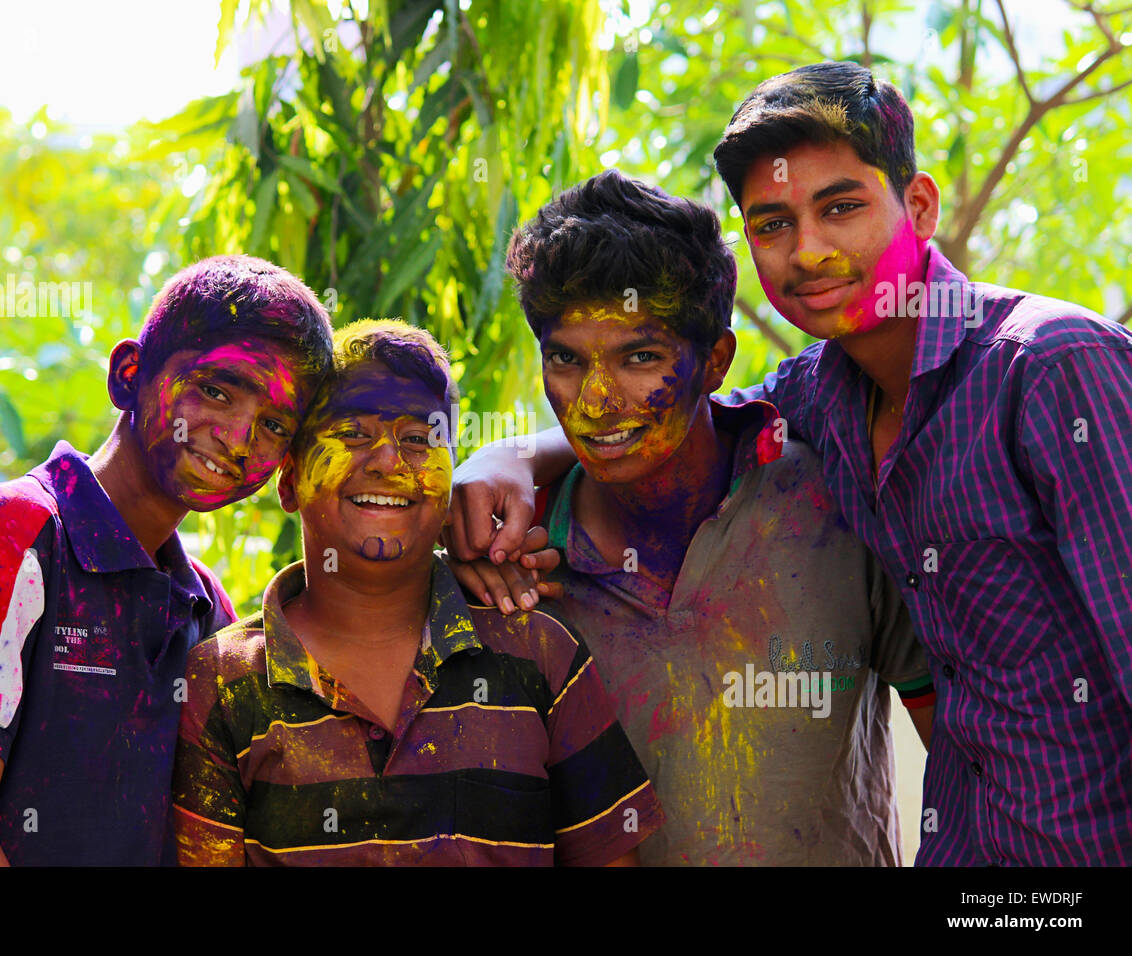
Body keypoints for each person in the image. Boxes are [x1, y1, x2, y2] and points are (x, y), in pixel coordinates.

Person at [451, 62, 1132, 866]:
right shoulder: (821, 399)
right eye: (772, 223)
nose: (807, 251)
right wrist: (505, 458)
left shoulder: (1050, 367)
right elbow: (658, 417)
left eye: (840, 207)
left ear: (918, 207)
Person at [451, 170, 931, 865]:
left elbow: (966, 754)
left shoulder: (836, 502)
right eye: (565, 359)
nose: (595, 400)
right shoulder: (515, 563)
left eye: (639, 357)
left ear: (715, 361)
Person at [0, 255, 333, 865]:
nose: (237, 437)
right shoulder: (24, 531)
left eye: (274, 424)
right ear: (130, 374)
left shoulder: (206, 609)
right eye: (215, 390)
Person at [172, 319, 664, 866]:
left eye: (417, 439)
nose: (388, 461)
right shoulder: (221, 682)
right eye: (352, 434)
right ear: (288, 480)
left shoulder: (540, 651)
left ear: (450, 476)